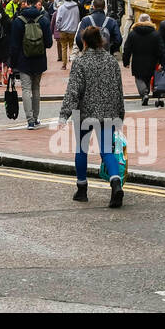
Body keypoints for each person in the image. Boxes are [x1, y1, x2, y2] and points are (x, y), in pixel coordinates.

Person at [59, 25, 127, 208]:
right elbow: (118, 90)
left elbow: (73, 91)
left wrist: (64, 114)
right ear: (101, 41)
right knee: (107, 150)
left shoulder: (80, 62)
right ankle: (115, 184)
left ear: (85, 42)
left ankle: (82, 190)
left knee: (82, 150)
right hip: (107, 113)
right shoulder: (111, 61)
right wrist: (120, 114)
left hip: (84, 114)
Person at [9, 0, 53, 129]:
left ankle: (30, 121)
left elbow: (14, 45)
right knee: (36, 88)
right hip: (39, 60)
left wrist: (12, 63)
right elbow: (49, 43)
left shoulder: (18, 21)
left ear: (26, 3)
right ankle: (36, 117)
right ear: (36, 3)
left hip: (23, 60)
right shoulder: (43, 20)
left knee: (26, 89)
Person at [123, 13, 165, 107]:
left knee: (139, 78)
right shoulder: (155, 34)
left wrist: (126, 61)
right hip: (152, 60)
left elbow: (127, 48)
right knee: (148, 77)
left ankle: (144, 93)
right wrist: (162, 61)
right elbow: (161, 48)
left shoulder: (133, 34)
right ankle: (145, 93)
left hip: (137, 60)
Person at [53, 0, 81, 68]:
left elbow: (58, 20)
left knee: (64, 47)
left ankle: (64, 65)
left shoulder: (61, 7)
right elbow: (77, 18)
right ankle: (72, 63)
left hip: (63, 31)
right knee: (72, 47)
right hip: (73, 30)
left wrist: (58, 28)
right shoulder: (76, 6)